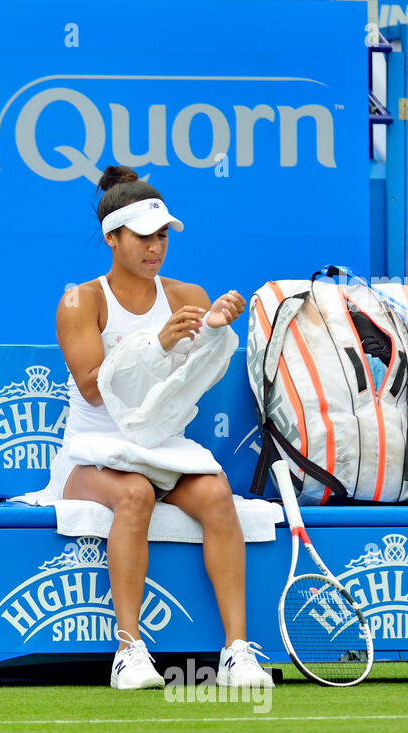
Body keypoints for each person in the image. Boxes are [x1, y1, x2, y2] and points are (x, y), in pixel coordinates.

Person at [49, 166, 274, 690]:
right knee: (133, 495)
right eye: (144, 236)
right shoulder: (80, 300)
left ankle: (237, 651)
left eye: (163, 235)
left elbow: (192, 380)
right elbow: (91, 387)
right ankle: (129, 650)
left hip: (161, 448)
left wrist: (214, 334)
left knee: (218, 494)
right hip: (93, 455)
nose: (156, 247)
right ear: (113, 237)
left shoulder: (186, 293)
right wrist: (159, 346)